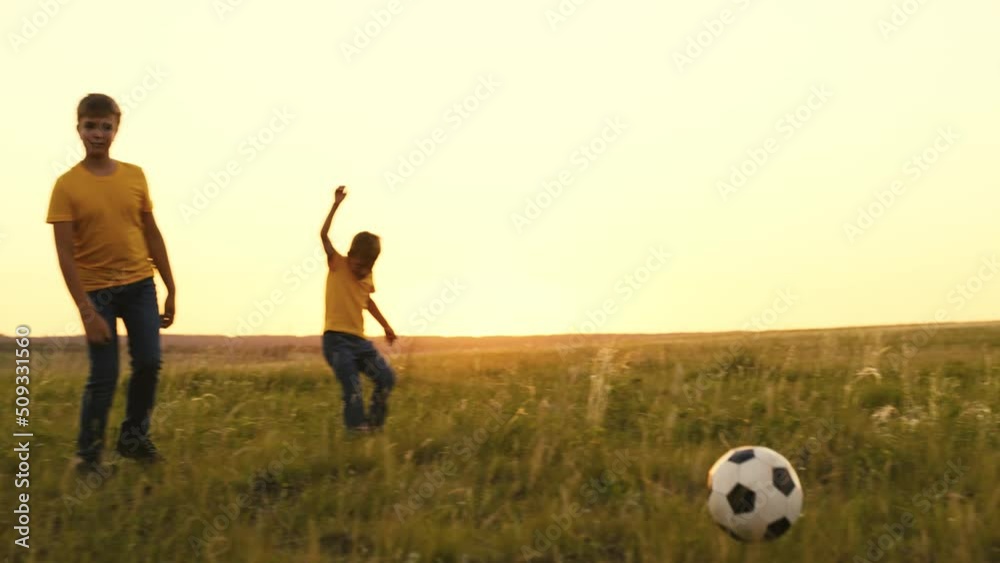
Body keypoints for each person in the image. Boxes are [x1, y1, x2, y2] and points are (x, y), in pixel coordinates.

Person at [47, 94, 176, 471]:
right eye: (91, 126)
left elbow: (152, 233)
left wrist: (171, 287)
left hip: (140, 286)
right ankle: (87, 457)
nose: (98, 134)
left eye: (106, 127)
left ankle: (133, 440)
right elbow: (65, 255)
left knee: (149, 363)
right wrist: (87, 312)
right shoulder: (66, 186)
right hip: (97, 294)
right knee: (104, 376)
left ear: (116, 129)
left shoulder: (135, 176)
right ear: (78, 129)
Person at [319, 186, 397, 432]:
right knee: (352, 385)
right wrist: (336, 204)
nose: (361, 271)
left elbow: (368, 302)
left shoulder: (367, 277)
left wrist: (386, 327)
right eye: (358, 265)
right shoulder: (337, 263)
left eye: (367, 267)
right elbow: (323, 235)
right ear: (350, 255)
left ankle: (374, 426)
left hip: (359, 343)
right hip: (336, 342)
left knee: (386, 378)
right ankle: (356, 430)